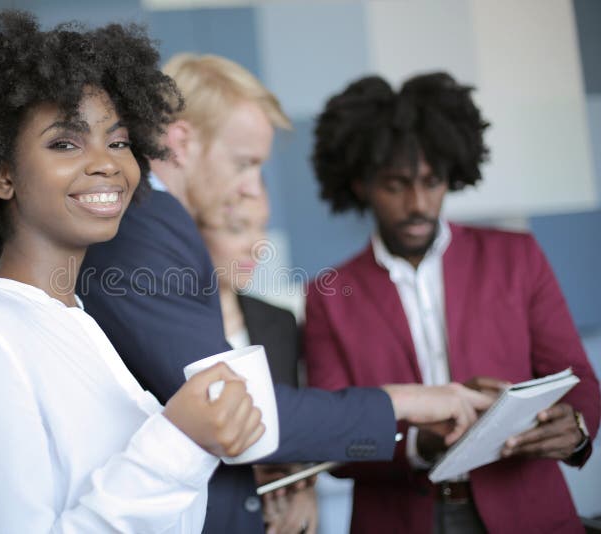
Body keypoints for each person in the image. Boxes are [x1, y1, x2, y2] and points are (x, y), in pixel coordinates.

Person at [79, 54, 493, 533]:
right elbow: (233, 409)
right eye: (245, 163)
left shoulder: (159, 225)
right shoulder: (147, 226)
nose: (252, 188)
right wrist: (405, 401)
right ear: (181, 141)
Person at [0, 12, 268, 533]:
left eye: (119, 141)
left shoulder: (74, 323)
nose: (107, 163)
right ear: (2, 174)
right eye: (65, 142)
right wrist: (180, 439)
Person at [305, 72, 600, 533]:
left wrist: (575, 428)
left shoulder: (516, 257)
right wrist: (419, 442)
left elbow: (576, 380)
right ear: (361, 185)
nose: (418, 202)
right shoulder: (328, 294)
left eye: (432, 181)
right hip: (400, 519)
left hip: (529, 513)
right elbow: (334, 436)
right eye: (395, 184)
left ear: (452, 175)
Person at [199, 190, 319, 533]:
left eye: (261, 227)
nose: (258, 246)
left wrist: (303, 487)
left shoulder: (279, 322)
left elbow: (294, 423)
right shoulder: (161, 330)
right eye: (238, 228)